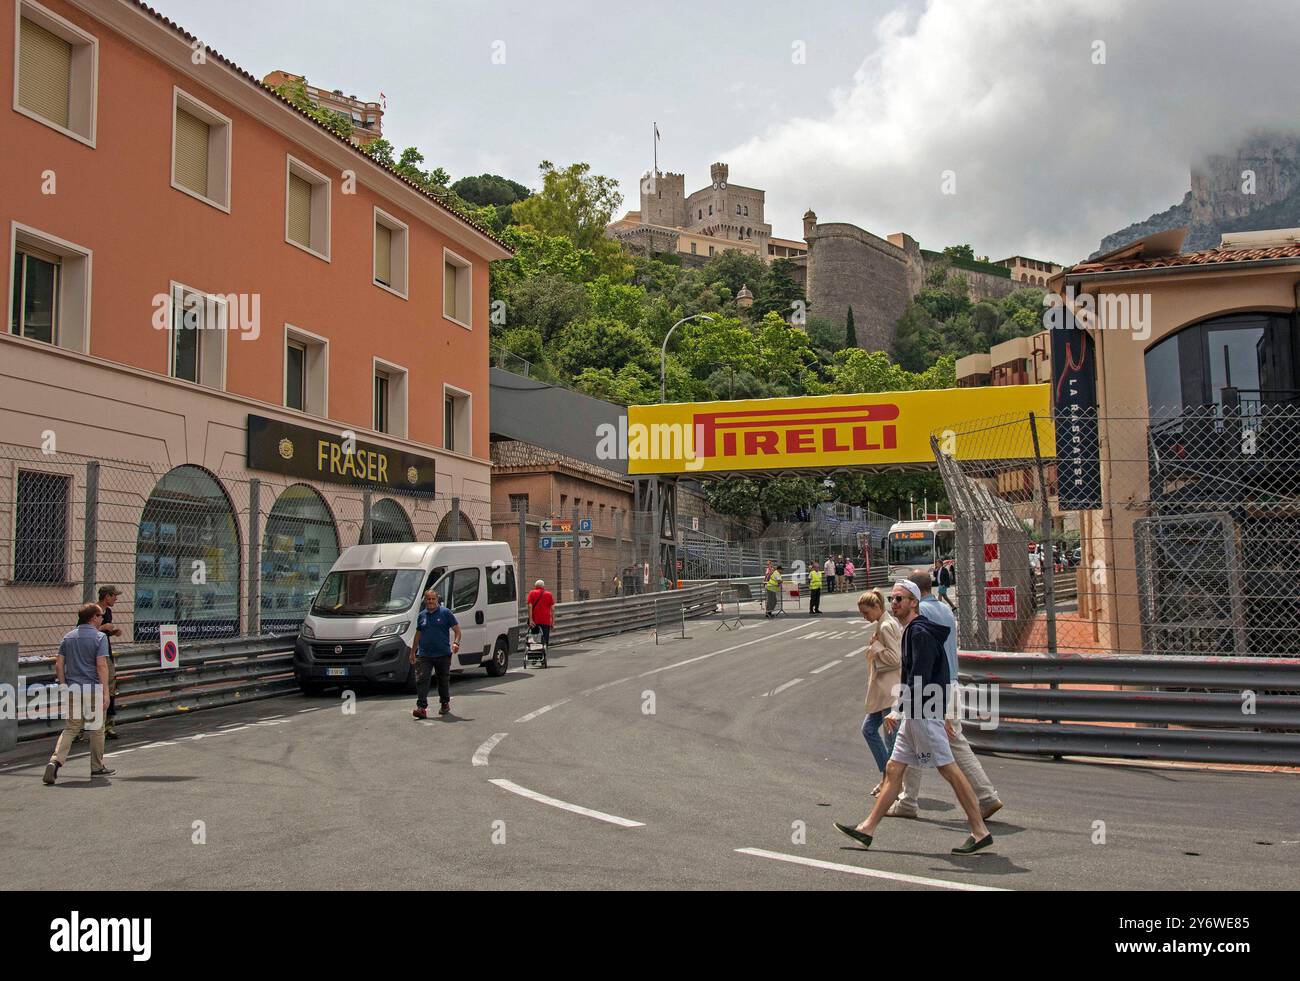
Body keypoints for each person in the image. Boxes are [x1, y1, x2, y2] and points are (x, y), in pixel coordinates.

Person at [834, 580, 993, 855]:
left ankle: (979, 831)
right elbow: (911, 674)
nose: (893, 603)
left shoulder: (919, 632)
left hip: (924, 713)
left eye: (899, 599)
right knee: (894, 770)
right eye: (892, 598)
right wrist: (901, 707)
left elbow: (921, 675)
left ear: (914, 603)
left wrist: (903, 709)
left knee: (949, 770)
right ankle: (867, 829)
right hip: (916, 713)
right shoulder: (910, 631)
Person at [885, 570, 1003, 820]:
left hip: (932, 690)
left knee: (951, 746)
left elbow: (918, 664)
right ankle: (909, 801)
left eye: (899, 598)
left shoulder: (918, 617)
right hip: (949, 683)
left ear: (913, 596)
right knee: (919, 742)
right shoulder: (945, 610)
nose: (895, 604)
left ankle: (985, 797)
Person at [43, 603, 115, 785]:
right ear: (93, 618)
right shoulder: (99, 638)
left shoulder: (68, 637)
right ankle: (97, 767)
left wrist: (63, 684)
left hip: (73, 688)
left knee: (71, 728)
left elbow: (59, 664)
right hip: (93, 689)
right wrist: (106, 692)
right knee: (97, 729)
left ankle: (55, 761)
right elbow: (101, 665)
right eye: (100, 616)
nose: (101, 619)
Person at [858, 589, 901, 794]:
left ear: (876, 607)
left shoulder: (885, 626)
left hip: (889, 690)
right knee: (869, 730)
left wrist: (875, 647)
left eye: (866, 612)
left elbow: (895, 658)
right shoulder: (882, 623)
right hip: (883, 690)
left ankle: (891, 782)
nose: (864, 617)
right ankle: (887, 777)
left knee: (890, 740)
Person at [409, 589, 461, 719]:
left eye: (433, 599)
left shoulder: (445, 613)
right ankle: (421, 708)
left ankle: (444, 703)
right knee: (422, 679)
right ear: (425, 600)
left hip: (443, 654)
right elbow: (418, 634)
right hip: (424, 655)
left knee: (443, 680)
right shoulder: (422, 616)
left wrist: (456, 643)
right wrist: (412, 652)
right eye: (428, 599)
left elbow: (457, 631)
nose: (431, 601)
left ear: (437, 599)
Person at [97, 585, 123, 740]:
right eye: (114, 596)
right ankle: (81, 727)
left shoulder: (109, 612)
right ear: (107, 596)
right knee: (92, 689)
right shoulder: (93, 611)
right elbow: (83, 631)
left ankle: (108, 724)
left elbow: (104, 633)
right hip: (94, 654)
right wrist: (102, 627)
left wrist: (113, 631)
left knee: (111, 687)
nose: (116, 599)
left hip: (106, 652)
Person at [526, 579, 555, 650]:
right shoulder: (549, 594)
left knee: (535, 641)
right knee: (544, 640)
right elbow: (553, 609)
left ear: (535, 586)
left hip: (535, 621)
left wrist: (530, 620)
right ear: (543, 586)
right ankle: (544, 654)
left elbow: (530, 606)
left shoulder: (531, 593)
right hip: (546, 621)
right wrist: (553, 622)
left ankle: (535, 655)